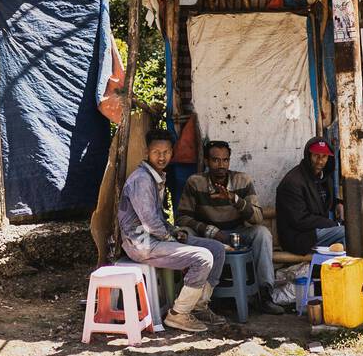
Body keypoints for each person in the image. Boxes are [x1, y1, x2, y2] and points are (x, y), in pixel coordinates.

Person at [118, 129, 228, 332]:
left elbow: (158, 218)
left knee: (216, 249)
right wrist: (171, 238)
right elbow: (150, 222)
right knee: (203, 258)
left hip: (156, 239)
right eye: (156, 152)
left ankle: (198, 305)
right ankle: (179, 314)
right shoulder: (142, 180)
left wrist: (175, 231)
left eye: (166, 152)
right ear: (146, 152)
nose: (161, 157)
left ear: (172, 153)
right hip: (142, 244)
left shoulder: (155, 177)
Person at [177, 140, 285, 315]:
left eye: (225, 160)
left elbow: (257, 218)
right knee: (185, 234)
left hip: (236, 234)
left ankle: (264, 296)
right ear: (206, 161)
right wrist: (210, 231)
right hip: (207, 236)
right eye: (215, 160)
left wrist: (234, 200)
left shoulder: (242, 180)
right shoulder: (195, 182)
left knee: (263, 233)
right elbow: (182, 218)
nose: (221, 165)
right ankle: (194, 296)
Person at [274, 137, 346, 255]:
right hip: (299, 238)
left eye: (324, 156)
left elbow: (324, 200)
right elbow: (300, 220)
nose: (320, 161)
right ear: (308, 156)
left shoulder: (323, 177)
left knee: (347, 237)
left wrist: (337, 204)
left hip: (317, 231)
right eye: (316, 156)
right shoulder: (293, 182)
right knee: (346, 233)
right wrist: (331, 225)